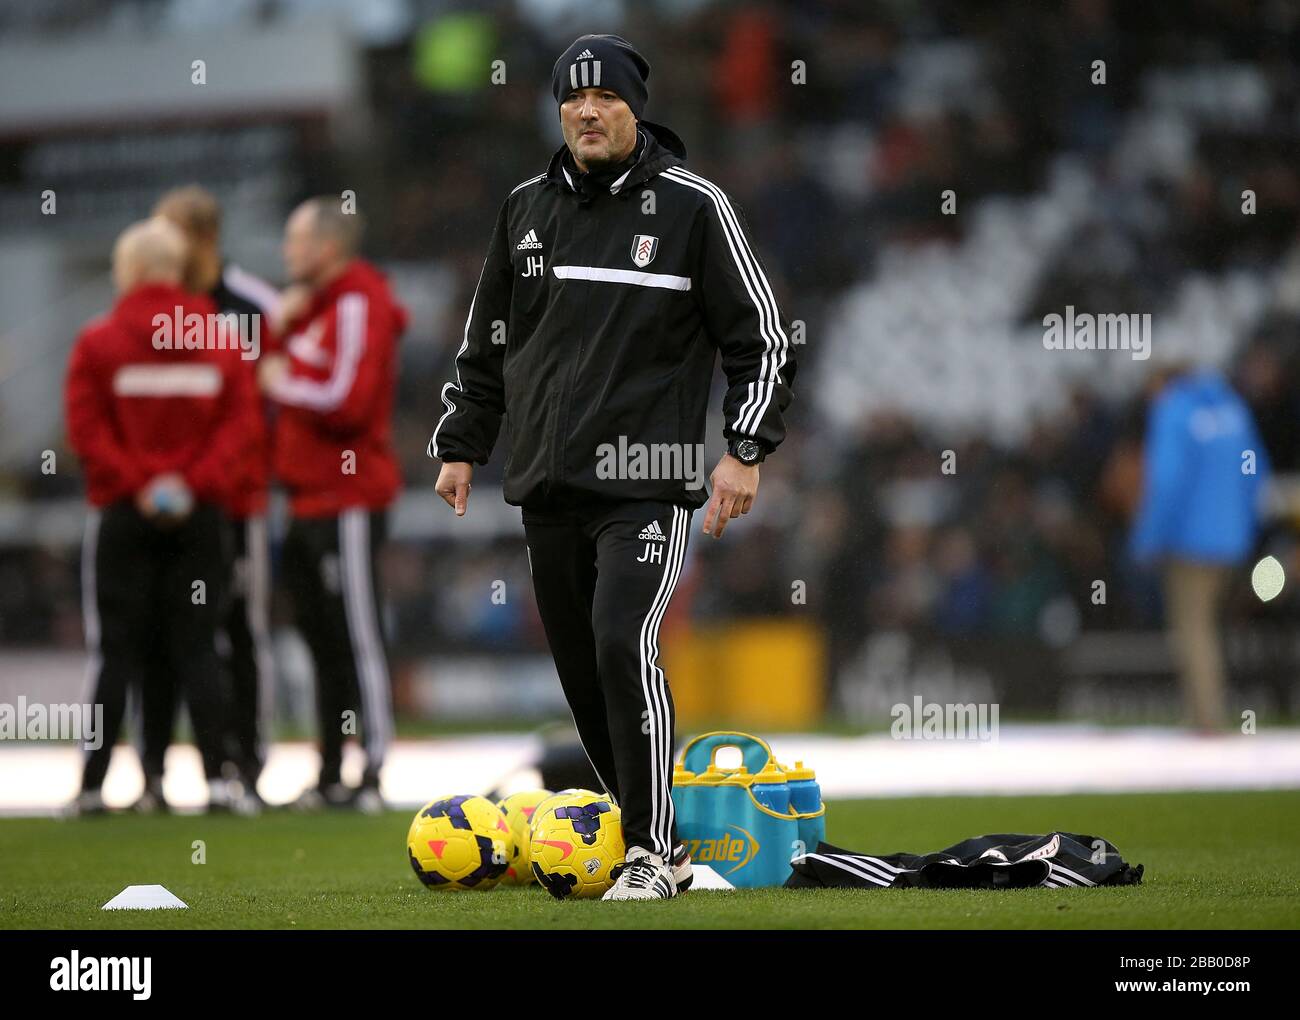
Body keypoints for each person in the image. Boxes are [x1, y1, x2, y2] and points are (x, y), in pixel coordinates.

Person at [429, 35, 795, 899]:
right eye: (572, 101)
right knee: (581, 671)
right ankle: (632, 822)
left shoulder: (694, 207)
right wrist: (460, 441)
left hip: (648, 478)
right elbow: (487, 339)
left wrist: (744, 450)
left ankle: (655, 854)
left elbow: (764, 340)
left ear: (636, 108)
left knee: (620, 641)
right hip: (547, 485)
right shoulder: (523, 208)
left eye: (605, 99)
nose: (587, 112)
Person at [66, 217, 254, 814]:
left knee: (115, 652)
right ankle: (221, 783)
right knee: (199, 648)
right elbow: (240, 427)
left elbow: (86, 431)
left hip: (122, 514)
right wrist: (189, 485)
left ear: (131, 269)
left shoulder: (99, 340)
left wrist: (138, 486)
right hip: (199, 517)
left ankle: (97, 787)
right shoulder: (220, 338)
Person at [259, 197, 406, 814]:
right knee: (321, 638)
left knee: (358, 633)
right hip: (307, 498)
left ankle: (370, 770)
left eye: (296, 240)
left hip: (347, 497)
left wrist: (280, 381)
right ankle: (327, 771)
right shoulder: (316, 307)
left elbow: (348, 397)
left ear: (327, 245)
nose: (288, 252)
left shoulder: (355, 300)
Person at [138, 185, 280, 814]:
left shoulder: (251, 306)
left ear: (200, 237)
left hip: (237, 501)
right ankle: (157, 774)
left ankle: (246, 765)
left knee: (241, 631)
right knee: (164, 635)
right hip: (166, 505)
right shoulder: (154, 311)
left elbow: (271, 405)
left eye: (167, 234)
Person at [1129, 364, 1271, 732]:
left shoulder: (1174, 410)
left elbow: (1167, 479)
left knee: (1192, 629)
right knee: (1208, 626)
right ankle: (1206, 714)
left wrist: (1148, 537)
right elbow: (1255, 473)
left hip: (1188, 540)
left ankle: (1205, 719)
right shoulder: (1233, 409)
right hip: (1231, 539)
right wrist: (1243, 525)